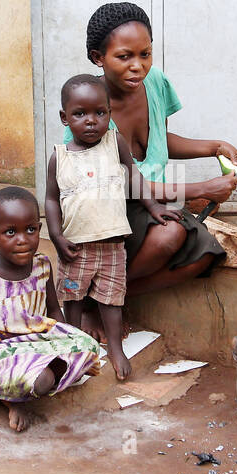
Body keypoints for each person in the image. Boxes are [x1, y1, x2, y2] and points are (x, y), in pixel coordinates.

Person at [67, 2, 237, 337]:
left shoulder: (155, 82)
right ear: (97, 57)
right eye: (124, 57)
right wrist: (201, 189)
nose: (138, 67)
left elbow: (159, 140)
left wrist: (212, 146)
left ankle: (103, 295)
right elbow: (118, 184)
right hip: (103, 209)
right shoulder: (89, 108)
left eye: (145, 54)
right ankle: (93, 301)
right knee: (170, 235)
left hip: (149, 203)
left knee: (205, 256)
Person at [45, 73, 181, 379]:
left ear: (110, 114)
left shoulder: (114, 143)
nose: (91, 121)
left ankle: (116, 349)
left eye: (100, 113)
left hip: (112, 246)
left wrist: (153, 206)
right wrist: (55, 236)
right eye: (80, 114)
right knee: (73, 297)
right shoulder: (60, 157)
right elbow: (52, 200)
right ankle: (73, 344)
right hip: (75, 248)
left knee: (111, 299)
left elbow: (134, 176)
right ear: (64, 118)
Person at [0, 186, 100, 433]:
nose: (22, 239)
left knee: (88, 348)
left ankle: (8, 394)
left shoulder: (42, 265)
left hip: (35, 343)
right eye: (10, 232)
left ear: (39, 229)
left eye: (30, 229)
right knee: (44, 380)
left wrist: (67, 342)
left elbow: (54, 312)